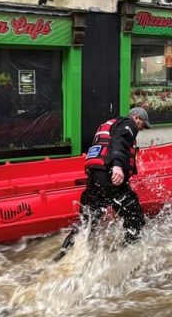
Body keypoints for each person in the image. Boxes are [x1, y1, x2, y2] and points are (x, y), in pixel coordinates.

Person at [55, 107, 151, 261]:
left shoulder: (110, 124)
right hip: (109, 175)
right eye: (142, 125)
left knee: (87, 223)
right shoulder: (128, 124)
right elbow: (119, 141)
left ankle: (63, 258)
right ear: (136, 118)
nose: (141, 129)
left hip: (94, 177)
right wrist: (118, 165)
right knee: (135, 216)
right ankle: (130, 259)